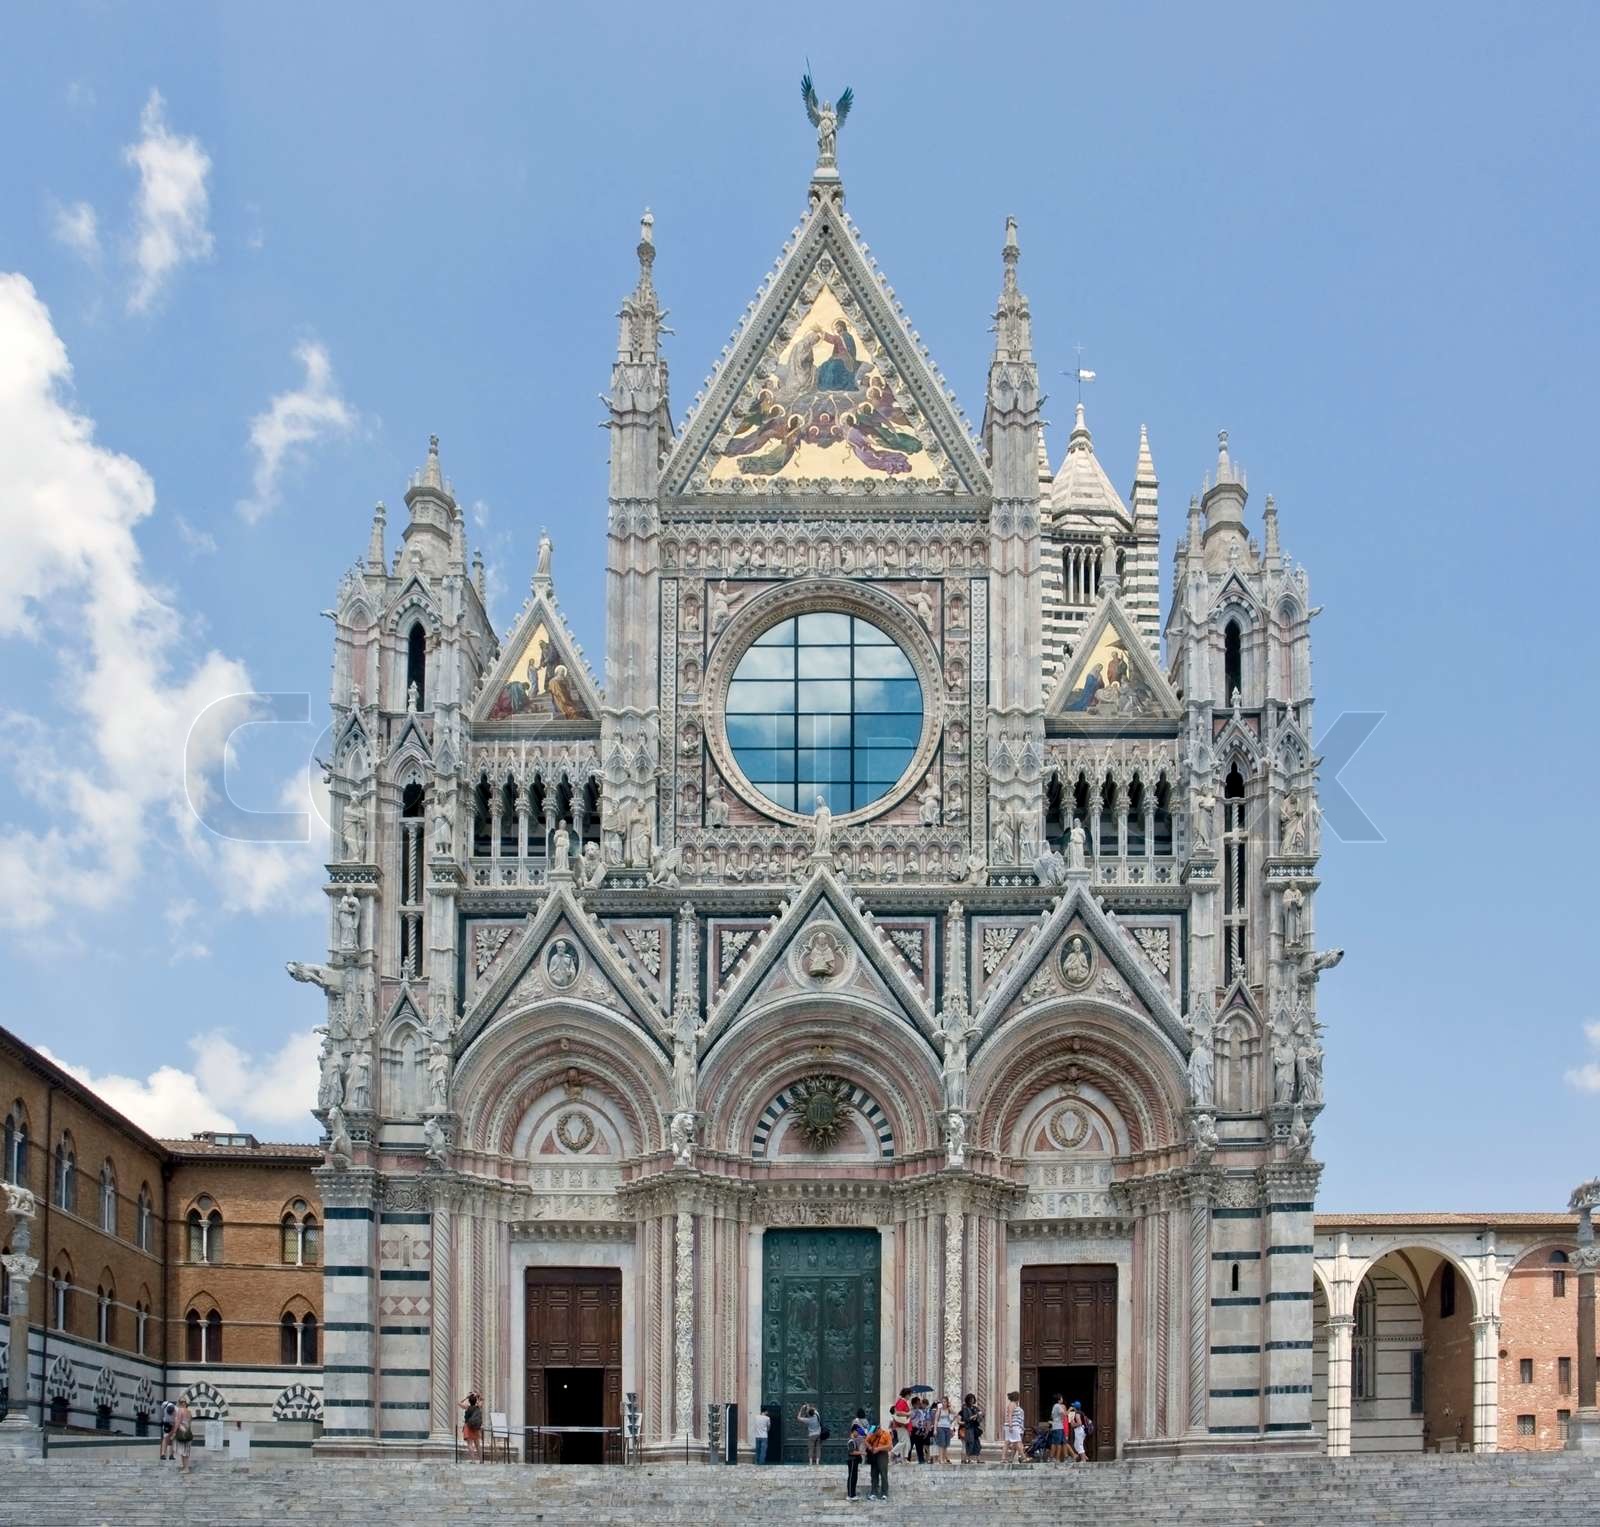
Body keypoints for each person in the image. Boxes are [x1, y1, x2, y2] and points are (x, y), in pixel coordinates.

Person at [866, 1418, 893, 1500]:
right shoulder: (872, 1434)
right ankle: (874, 1492)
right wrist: (870, 1447)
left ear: (879, 1428)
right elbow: (866, 1441)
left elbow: (890, 1446)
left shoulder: (886, 1434)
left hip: (882, 1455)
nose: (873, 1433)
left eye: (875, 1431)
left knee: (883, 1473)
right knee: (874, 1474)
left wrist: (879, 1448)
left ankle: (884, 1493)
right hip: (874, 1455)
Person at [845, 1407, 869, 1500]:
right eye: (856, 1431)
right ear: (853, 1431)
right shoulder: (851, 1441)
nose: (858, 1433)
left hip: (855, 1461)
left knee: (854, 1477)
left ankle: (853, 1494)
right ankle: (850, 1495)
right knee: (851, 1477)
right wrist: (862, 1452)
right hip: (852, 1460)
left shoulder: (855, 1422)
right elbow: (851, 1452)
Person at [959, 1392, 984, 1464]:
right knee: (970, 1443)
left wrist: (981, 1415)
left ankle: (978, 1459)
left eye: (973, 1399)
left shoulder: (975, 1408)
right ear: (968, 1400)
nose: (972, 1401)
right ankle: (968, 1459)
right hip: (968, 1428)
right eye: (970, 1399)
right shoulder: (965, 1409)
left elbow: (980, 1416)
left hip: (975, 1428)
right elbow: (966, 1419)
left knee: (977, 1444)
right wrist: (974, 1416)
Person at [1002, 1390, 1025, 1465]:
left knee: (1009, 1442)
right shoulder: (1012, 1404)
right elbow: (1010, 1414)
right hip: (1013, 1426)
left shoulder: (1015, 1404)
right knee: (1018, 1442)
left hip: (1016, 1426)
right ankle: (1024, 1457)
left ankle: (1007, 1458)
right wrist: (1010, 1425)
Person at [172, 1398, 194, 1474]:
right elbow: (190, 1423)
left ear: (181, 1403)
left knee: (183, 1450)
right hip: (188, 1432)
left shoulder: (180, 1411)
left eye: (181, 1402)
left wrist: (174, 1433)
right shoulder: (189, 1412)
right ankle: (185, 1467)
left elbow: (177, 1423)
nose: (181, 1403)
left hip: (182, 1432)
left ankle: (186, 1468)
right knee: (186, 1451)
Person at [461, 1391, 484, 1461]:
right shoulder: (478, 1407)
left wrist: (466, 1397)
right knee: (477, 1444)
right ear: (475, 1400)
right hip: (475, 1427)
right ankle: (481, 1460)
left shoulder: (467, 1407)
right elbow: (483, 1399)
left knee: (470, 1444)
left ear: (469, 1401)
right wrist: (478, 1396)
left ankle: (473, 1460)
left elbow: (459, 1403)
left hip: (468, 1426)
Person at [891, 1387, 912, 1460]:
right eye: (910, 1394)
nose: (910, 1396)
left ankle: (904, 1459)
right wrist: (908, 1413)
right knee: (904, 1442)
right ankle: (893, 1453)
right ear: (906, 1395)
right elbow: (898, 1412)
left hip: (903, 1425)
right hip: (901, 1425)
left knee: (907, 1443)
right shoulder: (902, 1402)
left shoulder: (903, 1402)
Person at [934, 1394, 954, 1464]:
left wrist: (950, 1407)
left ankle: (944, 1459)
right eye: (942, 1402)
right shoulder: (939, 1410)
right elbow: (936, 1420)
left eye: (945, 1402)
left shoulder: (949, 1410)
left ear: (947, 1402)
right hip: (940, 1427)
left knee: (946, 1444)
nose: (943, 1403)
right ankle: (940, 1459)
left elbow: (954, 1416)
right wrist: (935, 1430)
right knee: (941, 1443)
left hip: (947, 1427)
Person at [1049, 1392, 1067, 1463]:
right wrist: (1070, 1409)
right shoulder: (1057, 1406)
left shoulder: (1054, 1406)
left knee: (1057, 1443)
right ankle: (1057, 1458)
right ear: (1059, 1399)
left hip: (1057, 1426)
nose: (1062, 1399)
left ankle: (1051, 1457)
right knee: (1058, 1444)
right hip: (1058, 1427)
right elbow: (1064, 1414)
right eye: (1061, 1398)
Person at [158, 1396, 177, 1462]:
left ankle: (171, 1455)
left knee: (172, 1439)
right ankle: (163, 1454)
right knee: (165, 1438)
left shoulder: (176, 1411)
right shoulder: (165, 1404)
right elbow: (161, 1411)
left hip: (173, 1424)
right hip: (166, 1423)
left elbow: (176, 1424)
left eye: (171, 1413)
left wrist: (172, 1432)